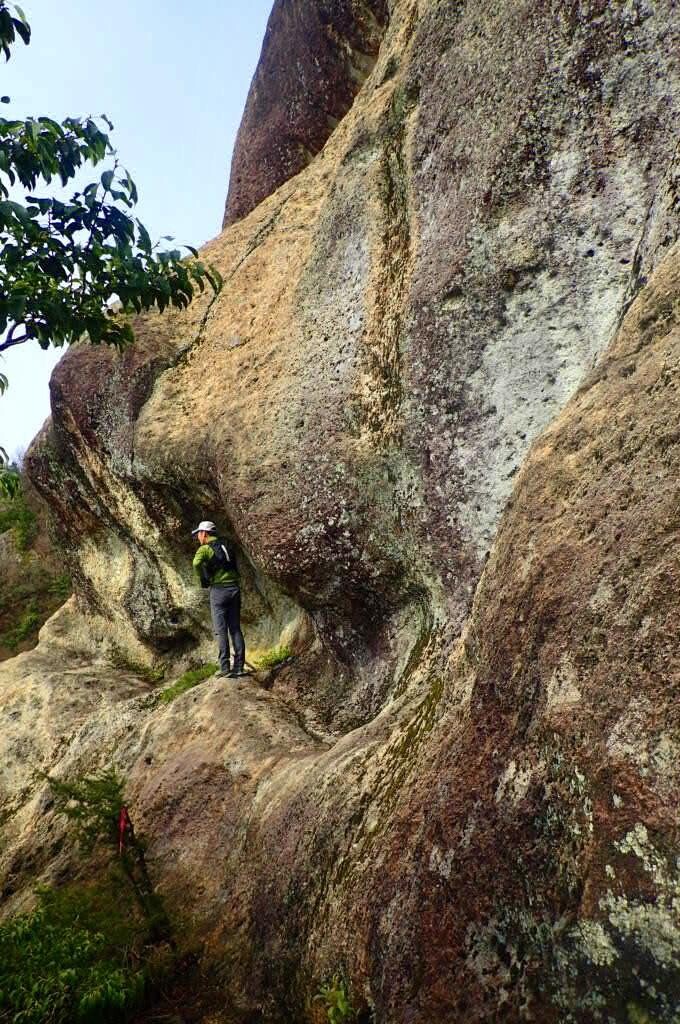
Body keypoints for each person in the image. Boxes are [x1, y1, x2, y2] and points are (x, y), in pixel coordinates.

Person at [191, 519, 247, 678]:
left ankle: (225, 668)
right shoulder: (227, 544)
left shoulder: (204, 549)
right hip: (234, 589)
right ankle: (239, 667)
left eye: (198, 534)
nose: (197, 537)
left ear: (204, 534)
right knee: (235, 628)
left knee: (220, 630)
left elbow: (196, 563)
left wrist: (203, 577)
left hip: (219, 591)